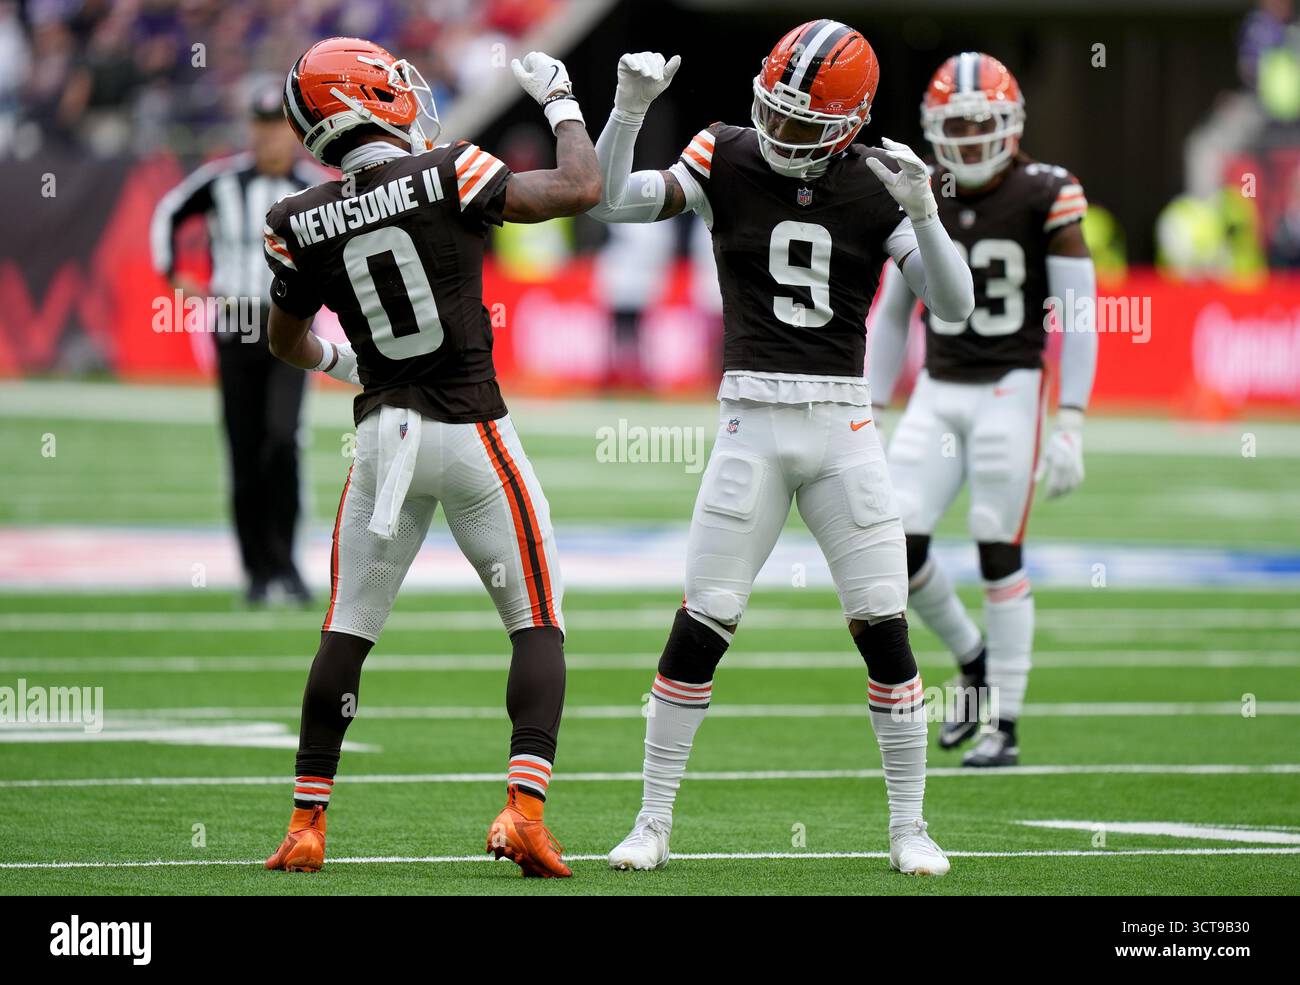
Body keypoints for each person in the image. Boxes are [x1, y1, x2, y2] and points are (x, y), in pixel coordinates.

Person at [587, 20, 975, 875]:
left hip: (843, 425)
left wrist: (924, 212)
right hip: (749, 420)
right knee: (701, 623)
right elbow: (612, 202)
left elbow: (953, 305)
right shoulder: (725, 150)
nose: (782, 133)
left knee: (885, 628)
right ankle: (653, 819)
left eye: (805, 122)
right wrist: (626, 111)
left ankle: (909, 826)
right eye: (778, 112)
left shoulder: (880, 182)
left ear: (850, 121)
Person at [258, 37, 600, 878]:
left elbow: (284, 339)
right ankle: (523, 811)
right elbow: (580, 188)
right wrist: (561, 102)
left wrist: (347, 364)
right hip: (475, 429)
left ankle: (307, 822)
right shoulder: (449, 169)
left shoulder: (293, 219)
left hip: (383, 438)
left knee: (346, 630)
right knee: (537, 619)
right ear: (367, 99)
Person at [868, 52, 1098, 767]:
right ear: (934, 128)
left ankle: (1007, 720)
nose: (967, 141)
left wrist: (1072, 420)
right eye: (955, 127)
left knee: (999, 543)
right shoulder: (922, 184)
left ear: (1012, 123)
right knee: (895, 546)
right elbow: (893, 310)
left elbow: (1079, 314)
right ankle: (972, 658)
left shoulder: (1045, 191)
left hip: (1011, 385)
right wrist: (870, 406)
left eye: (981, 125)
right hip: (939, 388)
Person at [151, 87, 325, 606]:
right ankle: (256, 569)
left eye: (277, 126)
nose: (269, 135)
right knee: (243, 450)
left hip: (289, 324)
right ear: (251, 129)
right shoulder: (221, 181)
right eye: (261, 125)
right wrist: (174, 274)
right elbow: (167, 212)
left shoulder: (310, 187)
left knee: (282, 437)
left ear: (292, 133)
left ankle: (288, 562)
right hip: (233, 322)